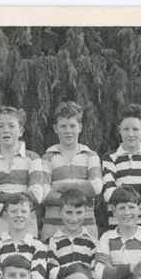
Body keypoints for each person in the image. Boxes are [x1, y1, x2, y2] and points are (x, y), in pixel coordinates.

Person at [0, 106, 48, 247]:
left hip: (25, 223)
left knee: (25, 262)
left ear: (20, 131)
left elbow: (36, 195)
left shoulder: (32, 159)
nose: (6, 130)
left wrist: (1, 198)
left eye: (11, 126)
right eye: (0, 126)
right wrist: (9, 209)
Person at [41, 101, 103, 240]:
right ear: (55, 128)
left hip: (86, 225)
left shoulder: (90, 155)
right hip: (53, 225)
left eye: (73, 126)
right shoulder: (48, 157)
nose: (68, 131)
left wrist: (60, 187)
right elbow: (44, 194)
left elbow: (96, 187)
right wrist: (80, 193)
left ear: (80, 127)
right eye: (63, 126)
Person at [101, 103, 141, 233]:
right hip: (117, 227)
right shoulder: (110, 157)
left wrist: (121, 189)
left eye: (135, 129)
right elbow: (108, 194)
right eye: (126, 129)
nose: (130, 134)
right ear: (119, 130)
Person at [45, 188, 98, 279]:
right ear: (59, 212)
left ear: (86, 211)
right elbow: (54, 275)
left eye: (79, 212)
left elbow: (96, 275)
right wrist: (84, 274)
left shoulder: (93, 243)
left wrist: (66, 273)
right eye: (69, 212)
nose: (74, 218)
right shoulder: (51, 243)